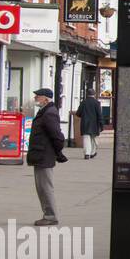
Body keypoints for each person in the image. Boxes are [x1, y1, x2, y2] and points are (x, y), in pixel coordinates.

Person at [26, 88, 67, 226]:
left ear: (46, 99)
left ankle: (50, 216)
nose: (35, 98)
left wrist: (58, 152)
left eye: (38, 96)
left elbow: (57, 136)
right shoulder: (45, 111)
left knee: (45, 187)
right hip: (41, 155)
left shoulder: (49, 113)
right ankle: (48, 215)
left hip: (44, 155)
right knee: (42, 187)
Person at [77, 89, 103, 159]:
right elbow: (99, 115)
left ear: (87, 94)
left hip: (85, 123)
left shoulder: (83, 102)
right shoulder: (97, 103)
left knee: (86, 139)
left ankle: (87, 154)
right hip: (94, 124)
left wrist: (84, 116)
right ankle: (92, 152)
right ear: (94, 94)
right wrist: (101, 124)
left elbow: (78, 113)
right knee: (93, 139)